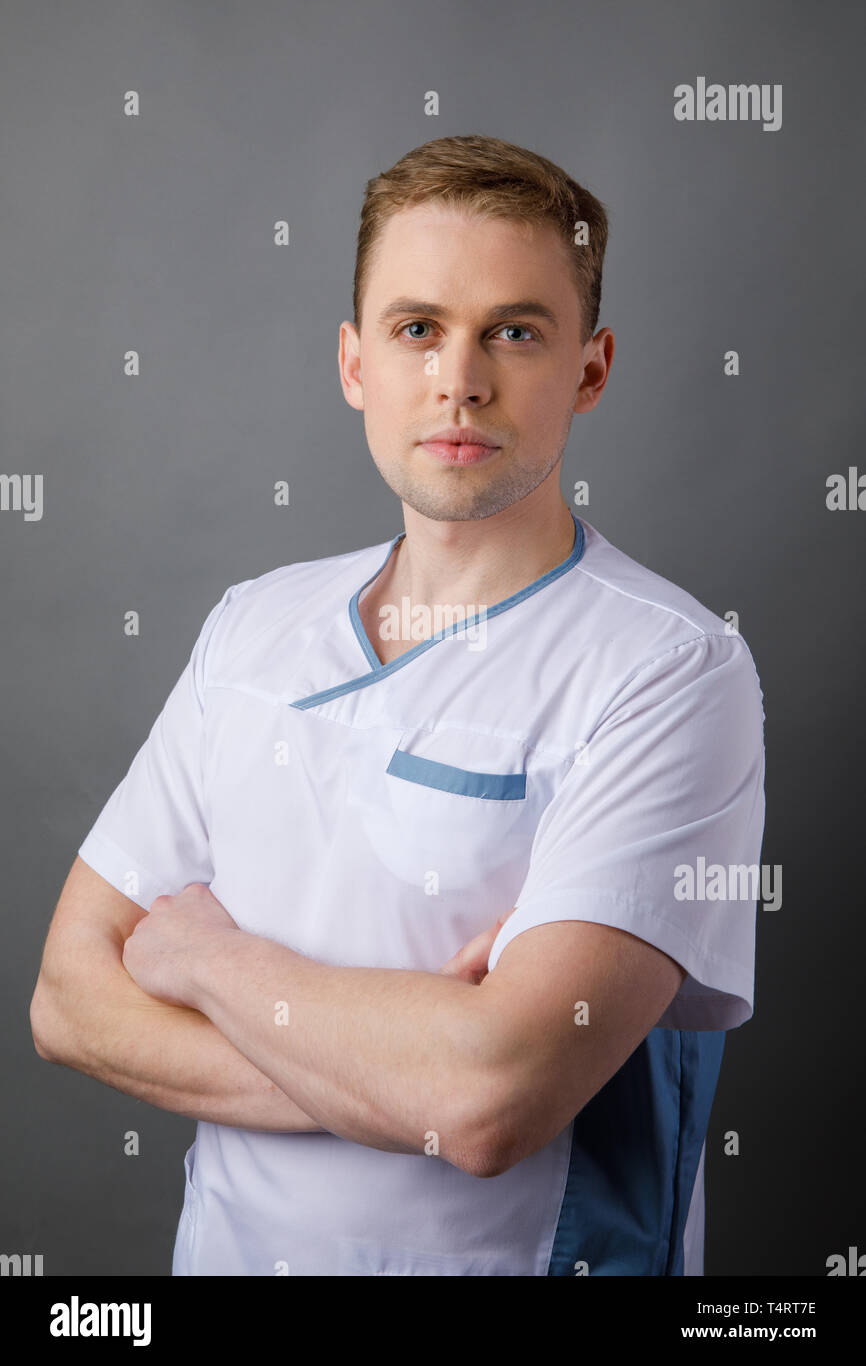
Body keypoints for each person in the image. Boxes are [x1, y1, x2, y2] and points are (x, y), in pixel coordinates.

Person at [30, 134, 765, 1276]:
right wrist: (406, 1056)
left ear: (590, 367)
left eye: (513, 331)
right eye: (416, 328)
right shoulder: (253, 626)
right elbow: (69, 1000)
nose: (457, 378)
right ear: (353, 363)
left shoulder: (668, 670)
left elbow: (487, 1099)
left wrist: (206, 961)